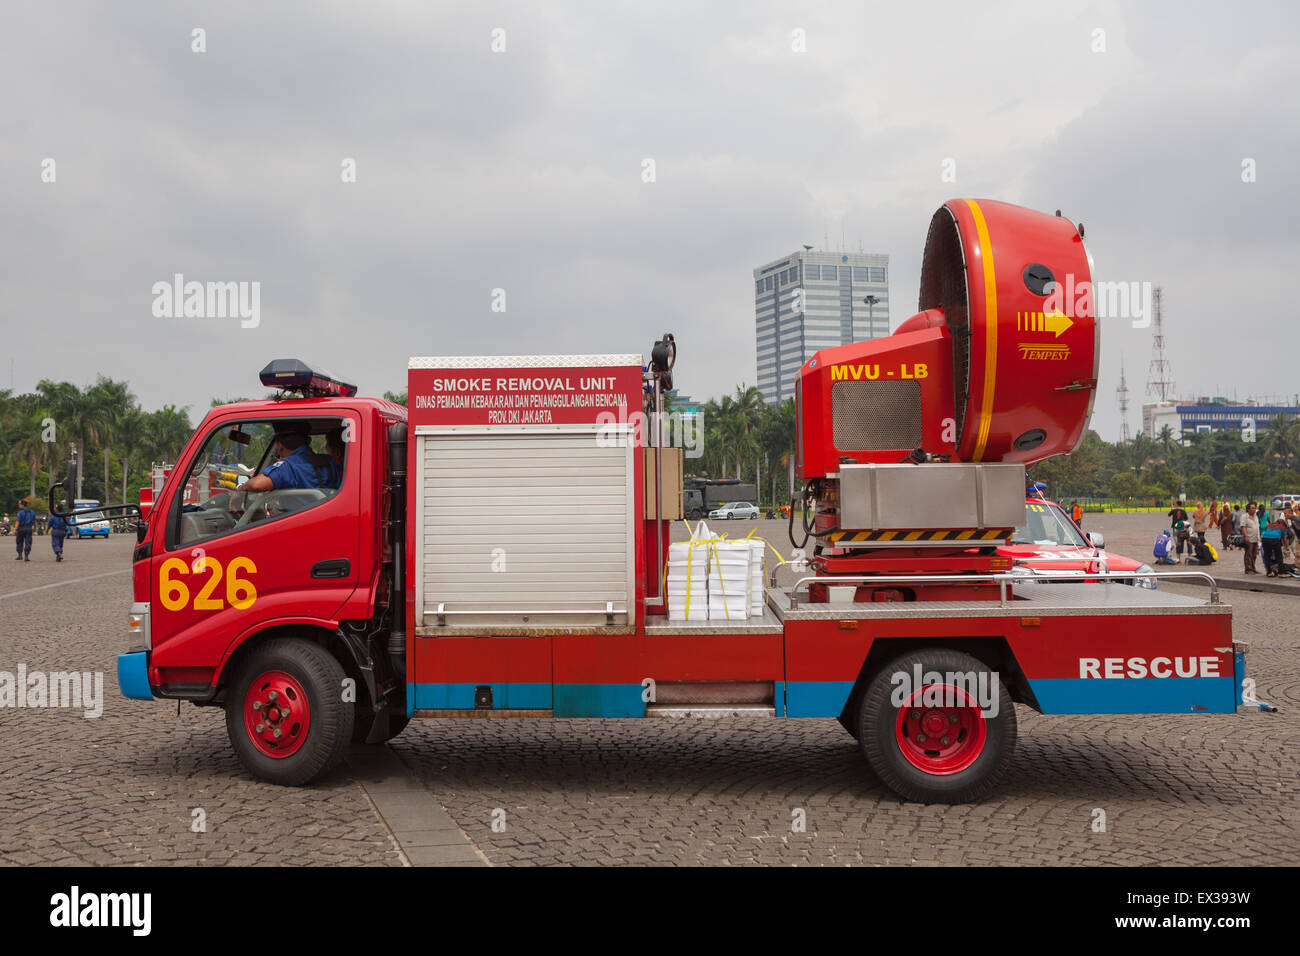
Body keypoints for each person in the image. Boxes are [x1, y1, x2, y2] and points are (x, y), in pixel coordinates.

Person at [238, 423, 341, 495]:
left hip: (296, 524)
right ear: (309, 441)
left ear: (279, 445)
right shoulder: (331, 461)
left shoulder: (287, 467)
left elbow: (256, 485)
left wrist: (241, 488)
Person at [1240, 501, 1261, 574]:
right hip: (1249, 538)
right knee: (1248, 554)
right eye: (1252, 508)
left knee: (1254, 554)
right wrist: (1246, 536)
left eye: (1255, 508)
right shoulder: (1244, 516)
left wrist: (1259, 536)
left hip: (1256, 538)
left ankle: (1253, 568)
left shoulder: (1256, 516)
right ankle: (1248, 569)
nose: (1254, 509)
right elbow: (1243, 527)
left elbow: (1257, 527)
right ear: (1248, 509)